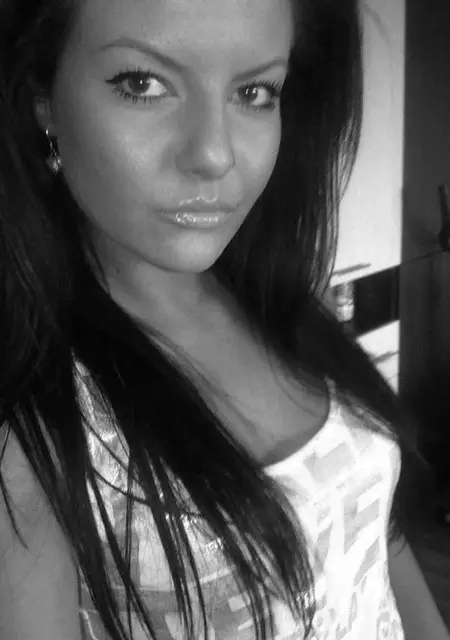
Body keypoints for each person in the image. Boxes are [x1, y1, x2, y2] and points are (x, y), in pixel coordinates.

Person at [0, 0, 448, 638]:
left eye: (254, 92)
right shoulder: (33, 434)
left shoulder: (279, 300)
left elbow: (377, 536)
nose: (214, 154)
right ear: (42, 99)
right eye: (142, 83)